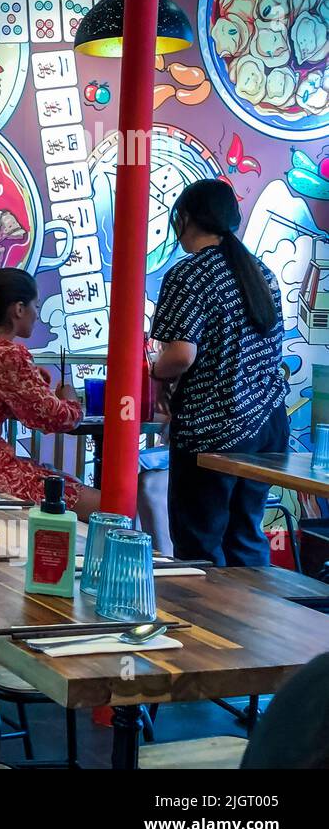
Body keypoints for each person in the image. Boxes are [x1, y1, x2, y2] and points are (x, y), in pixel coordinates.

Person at [150, 179, 286, 567]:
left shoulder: (189, 274)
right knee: (245, 535)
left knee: (200, 545)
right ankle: (248, 624)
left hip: (215, 426)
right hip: (266, 424)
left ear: (185, 218)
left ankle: (203, 628)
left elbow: (180, 355)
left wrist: (155, 373)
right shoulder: (261, 272)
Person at [0, 267, 98, 517]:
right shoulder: (8, 353)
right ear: (18, 309)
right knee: (103, 504)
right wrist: (71, 399)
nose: (37, 314)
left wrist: (34, 382)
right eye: (36, 305)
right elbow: (56, 418)